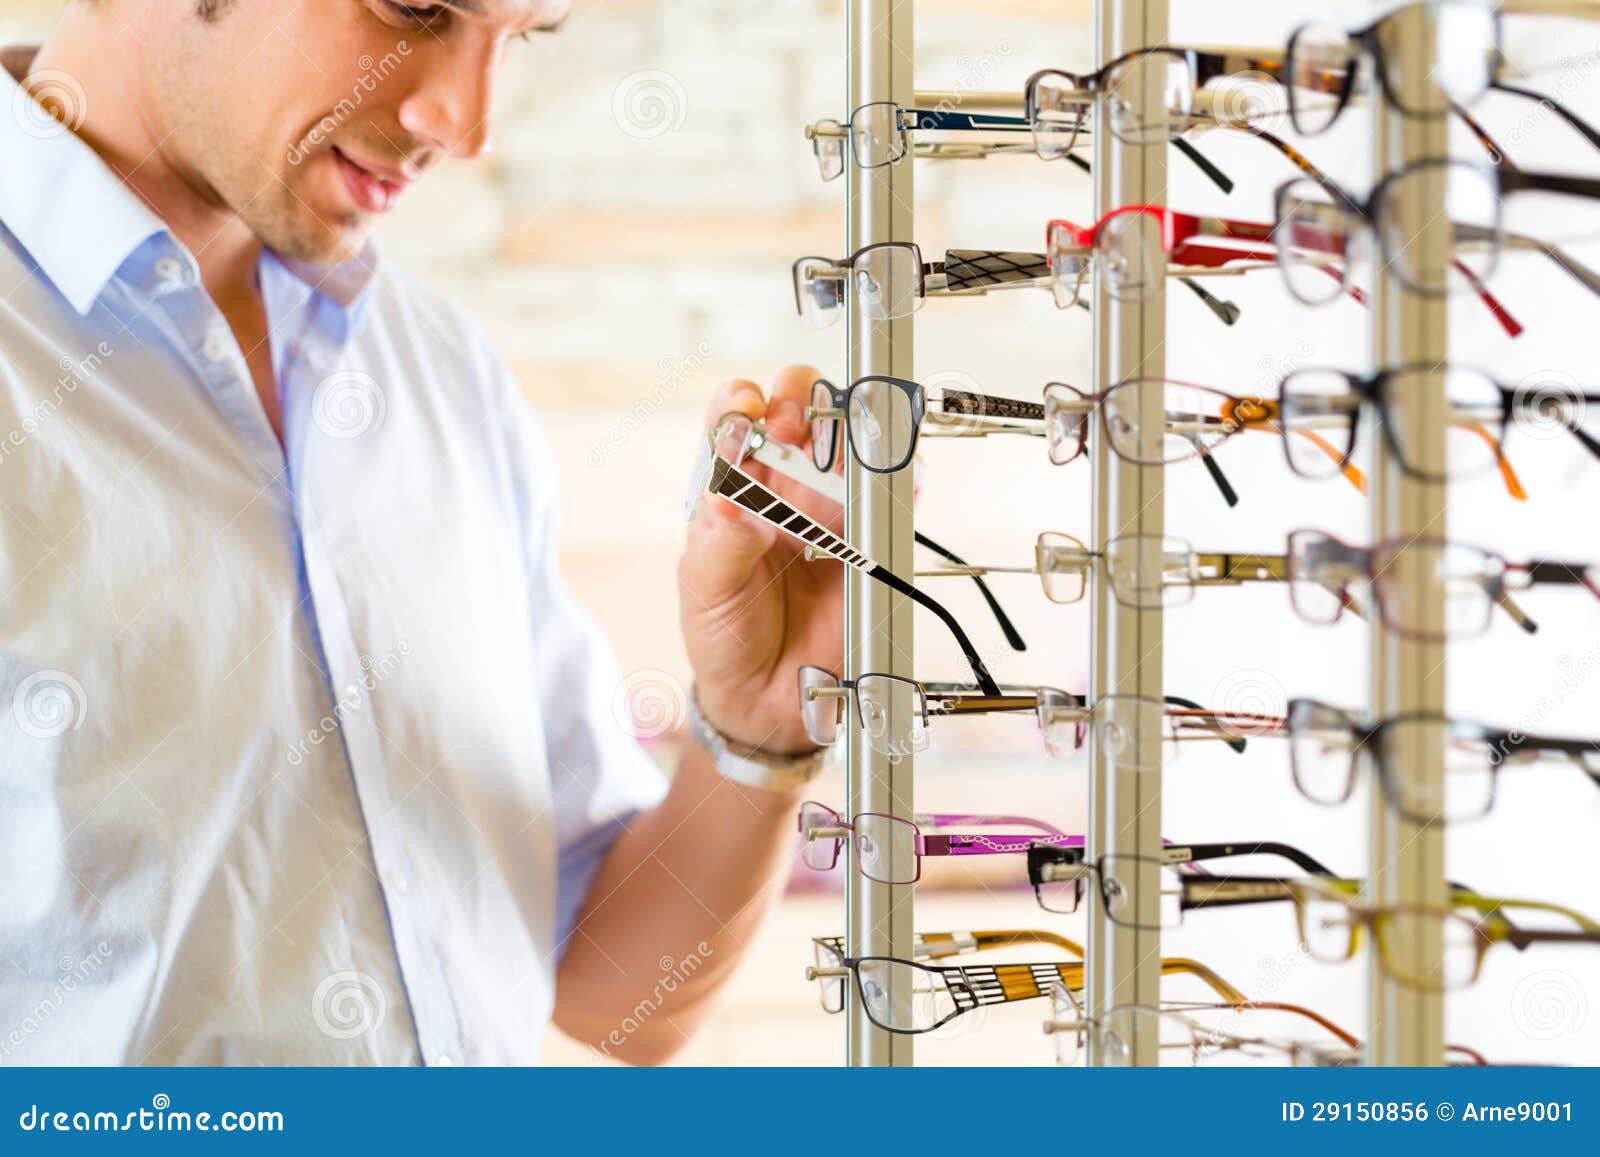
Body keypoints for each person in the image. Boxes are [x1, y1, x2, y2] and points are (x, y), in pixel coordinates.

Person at [0, 0, 842, 1065]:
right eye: (414, 9)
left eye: (523, 35)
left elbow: (604, 990)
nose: (467, 123)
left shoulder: (439, 374)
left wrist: (755, 727)